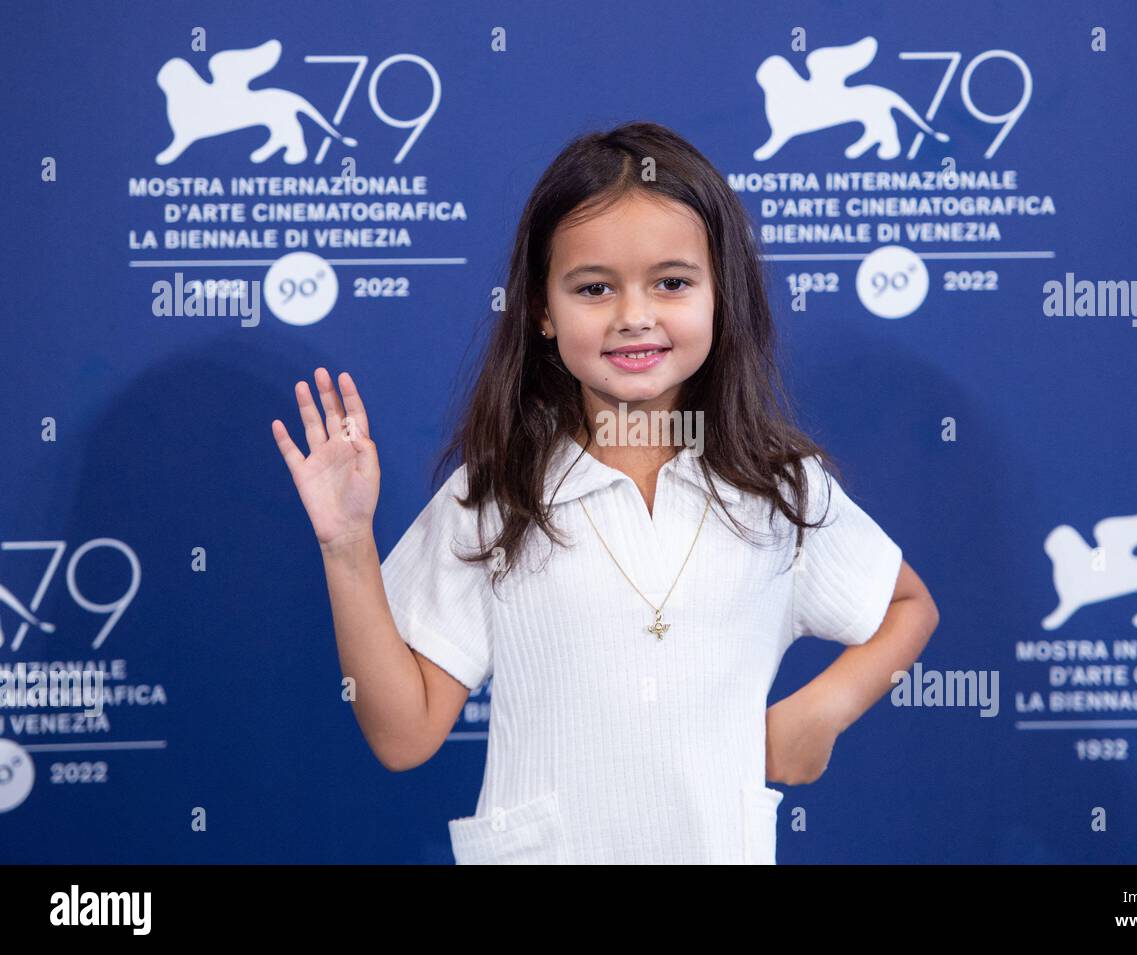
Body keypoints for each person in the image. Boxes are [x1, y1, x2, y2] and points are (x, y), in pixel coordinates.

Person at [271, 121, 939, 864]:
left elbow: (908, 606)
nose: (634, 315)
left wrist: (825, 706)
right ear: (543, 311)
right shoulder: (496, 493)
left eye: (672, 282)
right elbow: (403, 734)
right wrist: (345, 544)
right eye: (594, 287)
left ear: (723, 294)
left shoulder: (777, 485)